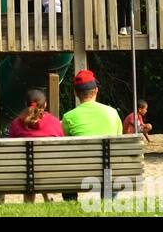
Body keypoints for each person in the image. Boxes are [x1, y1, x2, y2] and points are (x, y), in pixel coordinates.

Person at [60, 69, 122, 200]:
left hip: (79, 173)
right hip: (108, 173)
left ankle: (71, 204)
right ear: (96, 90)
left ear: (76, 93)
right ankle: (109, 202)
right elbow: (119, 140)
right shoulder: (112, 113)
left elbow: (64, 146)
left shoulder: (68, 117)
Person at [7, 88, 64, 203]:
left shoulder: (16, 124)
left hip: (24, 173)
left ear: (25, 104)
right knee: (41, 163)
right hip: (51, 171)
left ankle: (29, 202)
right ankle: (46, 197)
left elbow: (11, 150)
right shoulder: (54, 122)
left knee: (30, 166)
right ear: (45, 105)